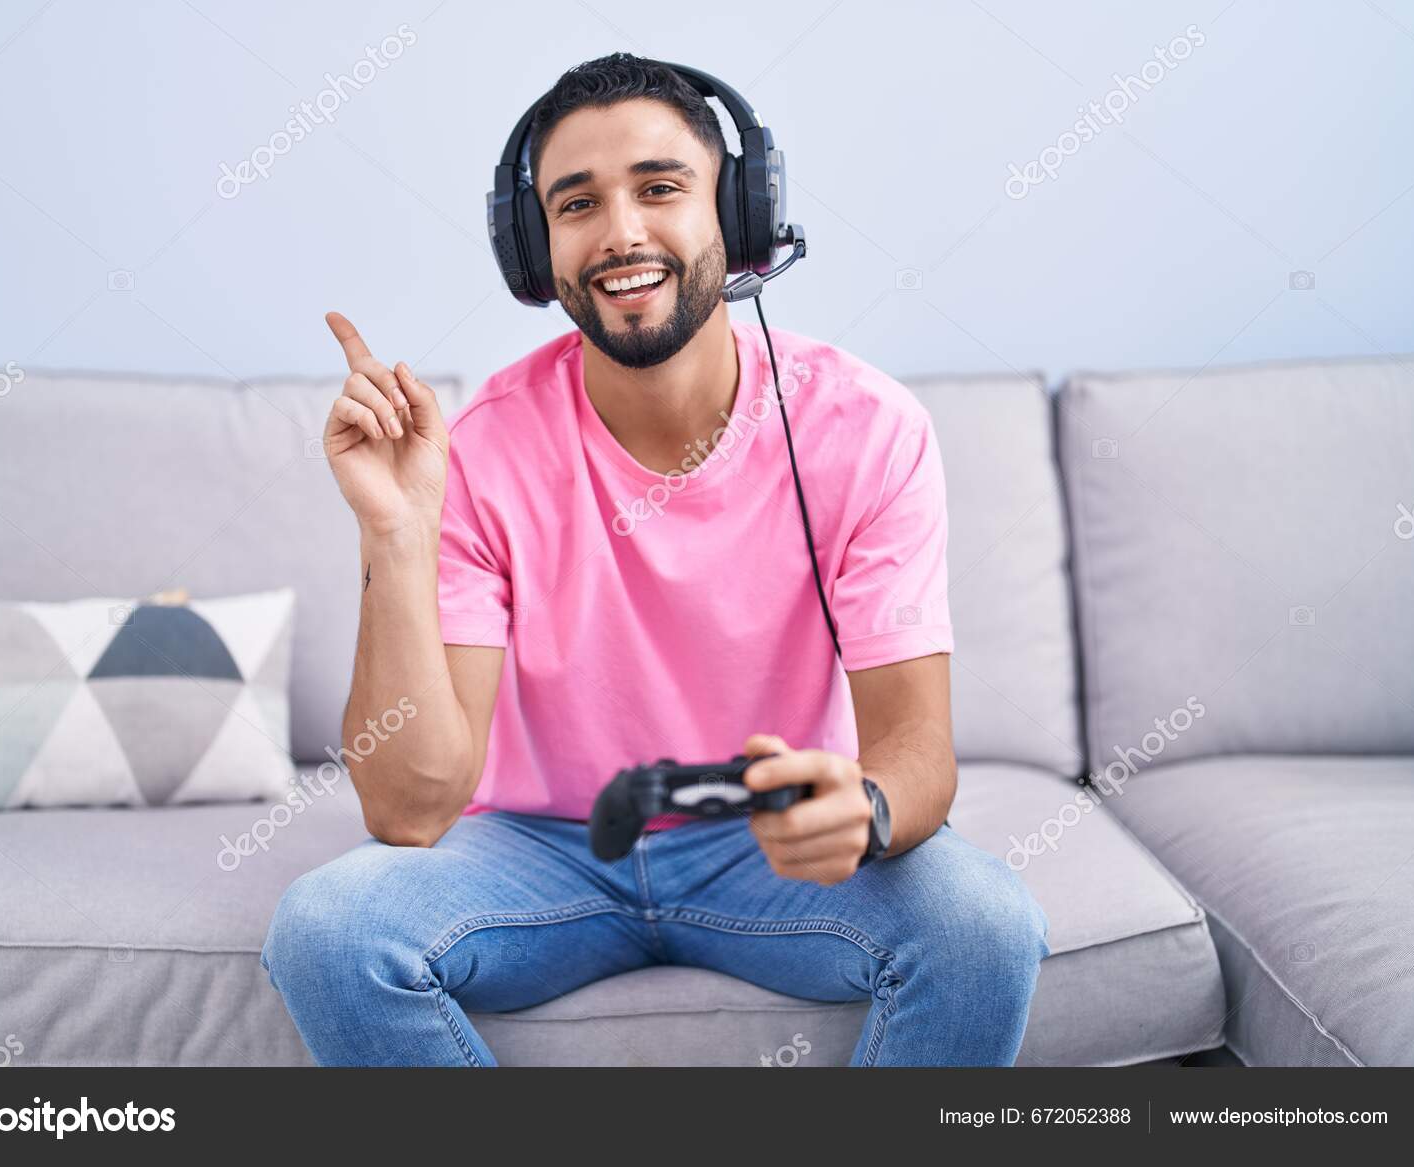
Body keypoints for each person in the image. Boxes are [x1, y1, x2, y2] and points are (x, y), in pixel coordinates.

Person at [261, 52, 1049, 1067]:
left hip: (763, 845)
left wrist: (870, 805)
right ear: (533, 248)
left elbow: (917, 752)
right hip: (540, 852)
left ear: (740, 210)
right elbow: (410, 811)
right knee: (329, 931)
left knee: (981, 922)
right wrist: (397, 535)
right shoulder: (482, 449)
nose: (622, 231)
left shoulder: (866, 429)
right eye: (577, 202)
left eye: (660, 188)